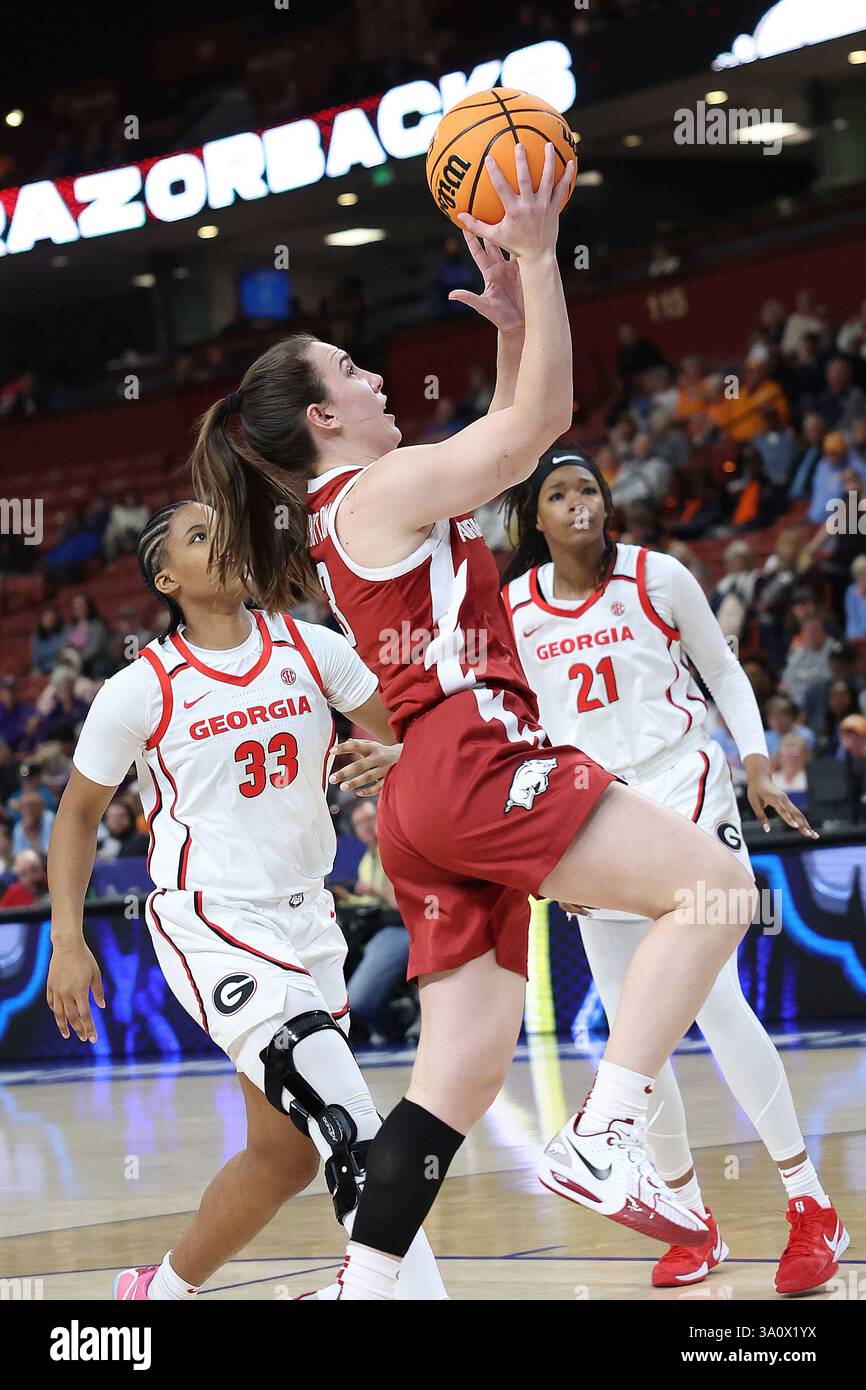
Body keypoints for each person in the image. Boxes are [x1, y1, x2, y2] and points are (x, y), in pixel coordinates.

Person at [191, 143, 761, 1301]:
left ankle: (364, 1278)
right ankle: (605, 1132)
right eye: (353, 370)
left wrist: (508, 316)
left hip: (423, 792)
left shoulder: (356, 502)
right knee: (713, 890)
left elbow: (508, 421)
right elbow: (541, 418)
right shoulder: (379, 490)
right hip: (474, 751)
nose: (376, 379)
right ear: (322, 414)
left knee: (457, 1069)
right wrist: (544, 260)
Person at [46, 499, 445, 1303]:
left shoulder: (313, 648)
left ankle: (157, 1292)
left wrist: (397, 756)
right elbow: (78, 815)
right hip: (212, 920)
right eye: (200, 536)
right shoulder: (141, 687)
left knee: (284, 1155)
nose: (222, 539)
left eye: (223, 526)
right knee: (347, 1113)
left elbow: (404, 736)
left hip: (310, 918)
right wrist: (66, 938)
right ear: (168, 578)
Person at [500, 448, 847, 1294]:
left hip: (685, 787)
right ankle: (690, 1219)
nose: (577, 502)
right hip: (594, 817)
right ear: (535, 520)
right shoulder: (514, 609)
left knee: (716, 1004)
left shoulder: (659, 578)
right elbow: (500, 716)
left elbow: (724, 670)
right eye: (557, 493)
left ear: (609, 505)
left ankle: (811, 1206)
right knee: (634, 1036)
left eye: (589, 489)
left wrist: (757, 758)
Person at [344, 798, 411, 1043]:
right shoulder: (367, 859)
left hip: (404, 927)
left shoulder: (394, 847)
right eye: (359, 823)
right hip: (381, 929)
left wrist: (374, 892)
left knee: (358, 998)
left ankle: (390, 1027)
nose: (365, 826)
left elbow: (403, 902)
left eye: (369, 819)